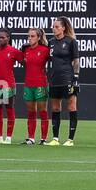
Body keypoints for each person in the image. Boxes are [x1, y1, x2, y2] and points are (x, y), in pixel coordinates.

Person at [47, 16, 80, 147]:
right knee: (55, 108)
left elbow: (76, 61)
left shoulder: (71, 42)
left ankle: (70, 139)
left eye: (56, 27)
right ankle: (55, 138)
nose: (54, 29)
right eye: (53, 27)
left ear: (63, 28)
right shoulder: (51, 42)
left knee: (71, 106)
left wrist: (76, 77)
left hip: (68, 79)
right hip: (54, 79)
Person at [0, 30, 24, 144]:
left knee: (9, 110)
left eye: (3, 37)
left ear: (8, 38)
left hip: (8, 84)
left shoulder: (14, 51)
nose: (0, 39)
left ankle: (8, 137)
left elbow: (25, 62)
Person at [21, 29, 52, 145]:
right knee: (31, 112)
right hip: (28, 84)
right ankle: (31, 138)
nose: (30, 38)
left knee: (43, 111)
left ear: (39, 37)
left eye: (32, 36)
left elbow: (54, 61)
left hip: (41, 84)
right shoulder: (26, 50)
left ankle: (43, 139)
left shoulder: (45, 50)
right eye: (28, 36)